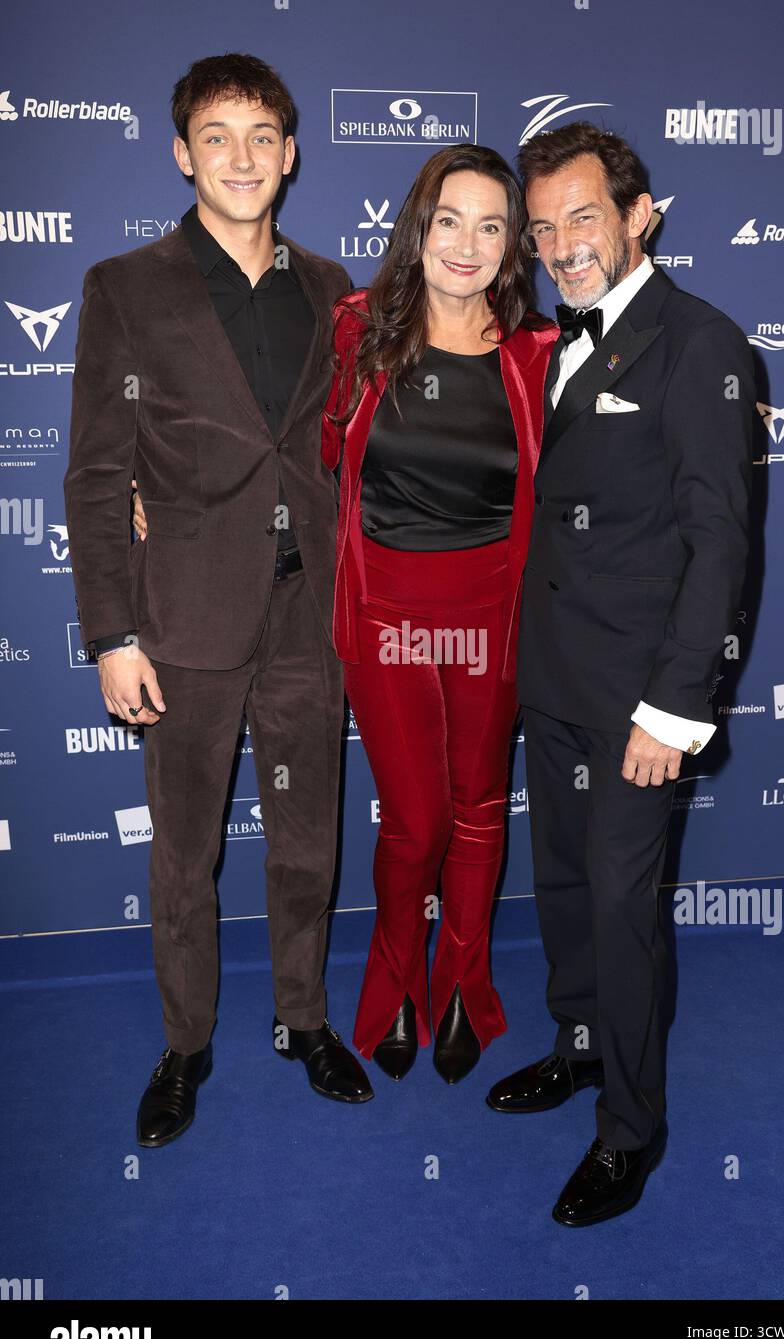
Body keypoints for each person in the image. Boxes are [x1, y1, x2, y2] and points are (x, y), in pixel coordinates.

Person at [64, 53, 373, 1150]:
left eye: (262, 136)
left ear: (291, 154)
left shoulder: (337, 290)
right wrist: (110, 632)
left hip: (308, 622)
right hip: (184, 622)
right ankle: (186, 1043)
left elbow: (354, 449)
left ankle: (303, 1019)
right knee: (183, 852)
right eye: (217, 136)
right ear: (181, 151)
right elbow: (99, 475)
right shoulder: (123, 286)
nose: (241, 158)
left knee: (306, 842)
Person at [485, 122, 754, 1225]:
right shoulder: (555, 344)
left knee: (621, 907)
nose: (560, 246)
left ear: (640, 215)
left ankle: (629, 1130)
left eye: (581, 218)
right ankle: (581, 1046)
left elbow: (720, 545)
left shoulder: (701, 346)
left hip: (641, 704)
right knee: (560, 892)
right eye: (542, 229)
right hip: (553, 686)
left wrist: (675, 709)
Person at [320, 145, 559, 1084]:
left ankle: (463, 986)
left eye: (491, 226)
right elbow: (302, 446)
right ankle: (396, 990)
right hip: (385, 614)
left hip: (494, 613)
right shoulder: (356, 332)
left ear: (511, 248)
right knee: (414, 820)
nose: (467, 243)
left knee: (479, 811)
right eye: (449, 220)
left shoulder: (537, 354)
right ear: (419, 227)